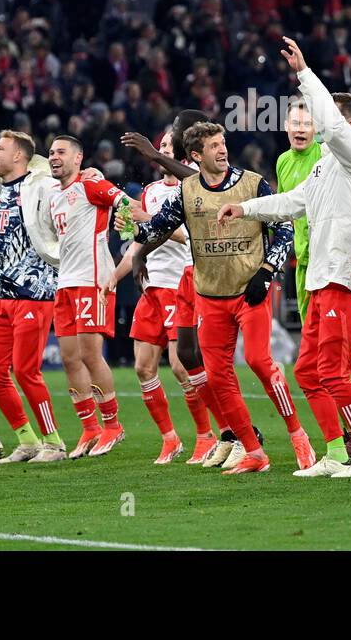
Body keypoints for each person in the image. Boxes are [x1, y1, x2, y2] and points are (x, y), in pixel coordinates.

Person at [219, 37, 351, 477]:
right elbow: (294, 202)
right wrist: (245, 208)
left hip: (349, 278)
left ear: (346, 122)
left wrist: (305, 73)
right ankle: (335, 451)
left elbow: (331, 128)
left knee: (333, 372)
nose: (311, 125)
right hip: (320, 277)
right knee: (309, 372)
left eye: (319, 117)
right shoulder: (323, 165)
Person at [126, 122, 316, 475]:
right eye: (214, 146)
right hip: (210, 296)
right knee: (217, 377)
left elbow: (285, 227)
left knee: (260, 362)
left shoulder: (252, 183)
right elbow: (159, 228)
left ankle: (297, 434)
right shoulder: (186, 191)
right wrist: (136, 228)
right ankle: (255, 452)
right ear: (196, 156)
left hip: (250, 291)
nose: (222, 150)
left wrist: (267, 270)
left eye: (223, 143)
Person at [273, 93, 351, 448]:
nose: (302, 129)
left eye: (308, 122)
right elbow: (287, 210)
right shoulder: (283, 163)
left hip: (335, 267)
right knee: (318, 360)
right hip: (305, 265)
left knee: (334, 357)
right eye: (295, 122)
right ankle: (341, 440)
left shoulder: (328, 154)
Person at [106, 129, 199, 464]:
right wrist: (112, 279)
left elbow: (188, 237)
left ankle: (206, 436)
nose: (159, 152)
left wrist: (146, 218)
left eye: (165, 147)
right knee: (144, 368)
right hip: (151, 289)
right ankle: (170, 439)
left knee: (180, 366)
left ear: (184, 155)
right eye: (158, 146)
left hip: (179, 285)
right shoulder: (149, 192)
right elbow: (138, 244)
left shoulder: (195, 188)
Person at [43, 135, 133, 458]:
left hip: (92, 281)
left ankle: (113, 426)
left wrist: (125, 229)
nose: (54, 157)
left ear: (78, 158)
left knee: (91, 355)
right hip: (64, 282)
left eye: (61, 152)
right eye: (51, 152)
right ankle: (90, 428)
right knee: (69, 358)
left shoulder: (91, 185)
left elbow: (124, 203)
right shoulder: (55, 196)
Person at [0, 131, 69, 463]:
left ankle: (54, 443)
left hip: (33, 292)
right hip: (0, 296)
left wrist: (93, 174)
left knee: (25, 370)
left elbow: (72, 195)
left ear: (19, 156)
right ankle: (27, 440)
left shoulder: (43, 186)